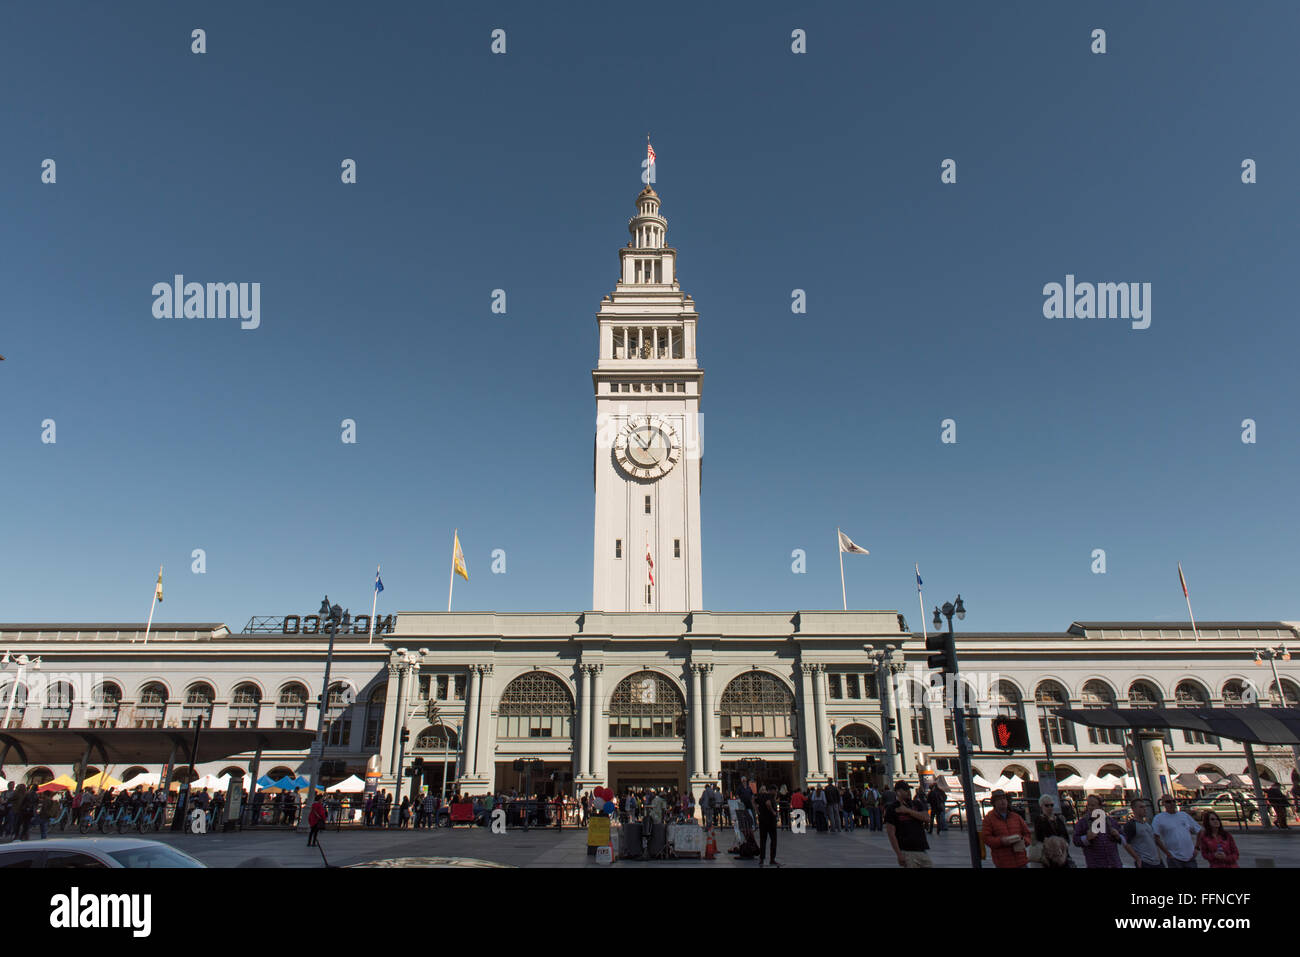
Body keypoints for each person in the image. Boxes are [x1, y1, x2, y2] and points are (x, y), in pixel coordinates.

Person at [884, 781, 931, 867]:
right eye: (905, 790)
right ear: (898, 792)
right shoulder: (892, 809)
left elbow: (927, 818)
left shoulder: (916, 804)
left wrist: (908, 811)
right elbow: (891, 833)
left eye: (909, 789)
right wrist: (899, 854)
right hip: (907, 851)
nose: (908, 792)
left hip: (922, 850)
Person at [982, 790, 1032, 868]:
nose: (1002, 801)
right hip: (1003, 862)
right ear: (994, 803)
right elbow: (986, 838)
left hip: (1021, 861)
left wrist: (1023, 840)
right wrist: (1002, 841)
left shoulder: (1016, 817)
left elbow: (1028, 834)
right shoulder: (989, 819)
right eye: (999, 799)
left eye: (1004, 799)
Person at [1071, 794, 1123, 868]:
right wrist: (1087, 838)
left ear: (1100, 807)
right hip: (1095, 863)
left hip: (1114, 863)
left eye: (1093, 805)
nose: (1090, 807)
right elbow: (1075, 840)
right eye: (1089, 805)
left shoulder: (1110, 821)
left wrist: (1118, 835)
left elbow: (1124, 838)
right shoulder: (1082, 823)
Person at [1152, 795, 1201, 868]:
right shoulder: (1159, 818)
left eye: (1173, 801)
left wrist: (1197, 847)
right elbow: (1155, 837)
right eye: (1168, 802)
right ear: (1163, 804)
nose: (1172, 803)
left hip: (1190, 857)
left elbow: (1199, 830)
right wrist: (1167, 853)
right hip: (1174, 858)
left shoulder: (1184, 815)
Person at [1122, 798, 1166, 868]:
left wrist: (1159, 857)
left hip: (1157, 862)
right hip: (1145, 862)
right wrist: (1137, 859)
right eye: (1141, 807)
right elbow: (1126, 844)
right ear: (1134, 809)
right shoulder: (1131, 825)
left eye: (1145, 806)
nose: (1144, 809)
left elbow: (1153, 841)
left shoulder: (1147, 824)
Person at [756, 782, 780, 867]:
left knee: (763, 840)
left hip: (762, 821)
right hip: (770, 821)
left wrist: (757, 811)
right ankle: (772, 859)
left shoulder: (760, 796)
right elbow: (768, 804)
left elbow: (753, 800)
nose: (776, 793)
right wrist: (773, 812)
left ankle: (762, 859)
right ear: (772, 791)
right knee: (773, 840)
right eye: (776, 791)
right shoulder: (770, 796)